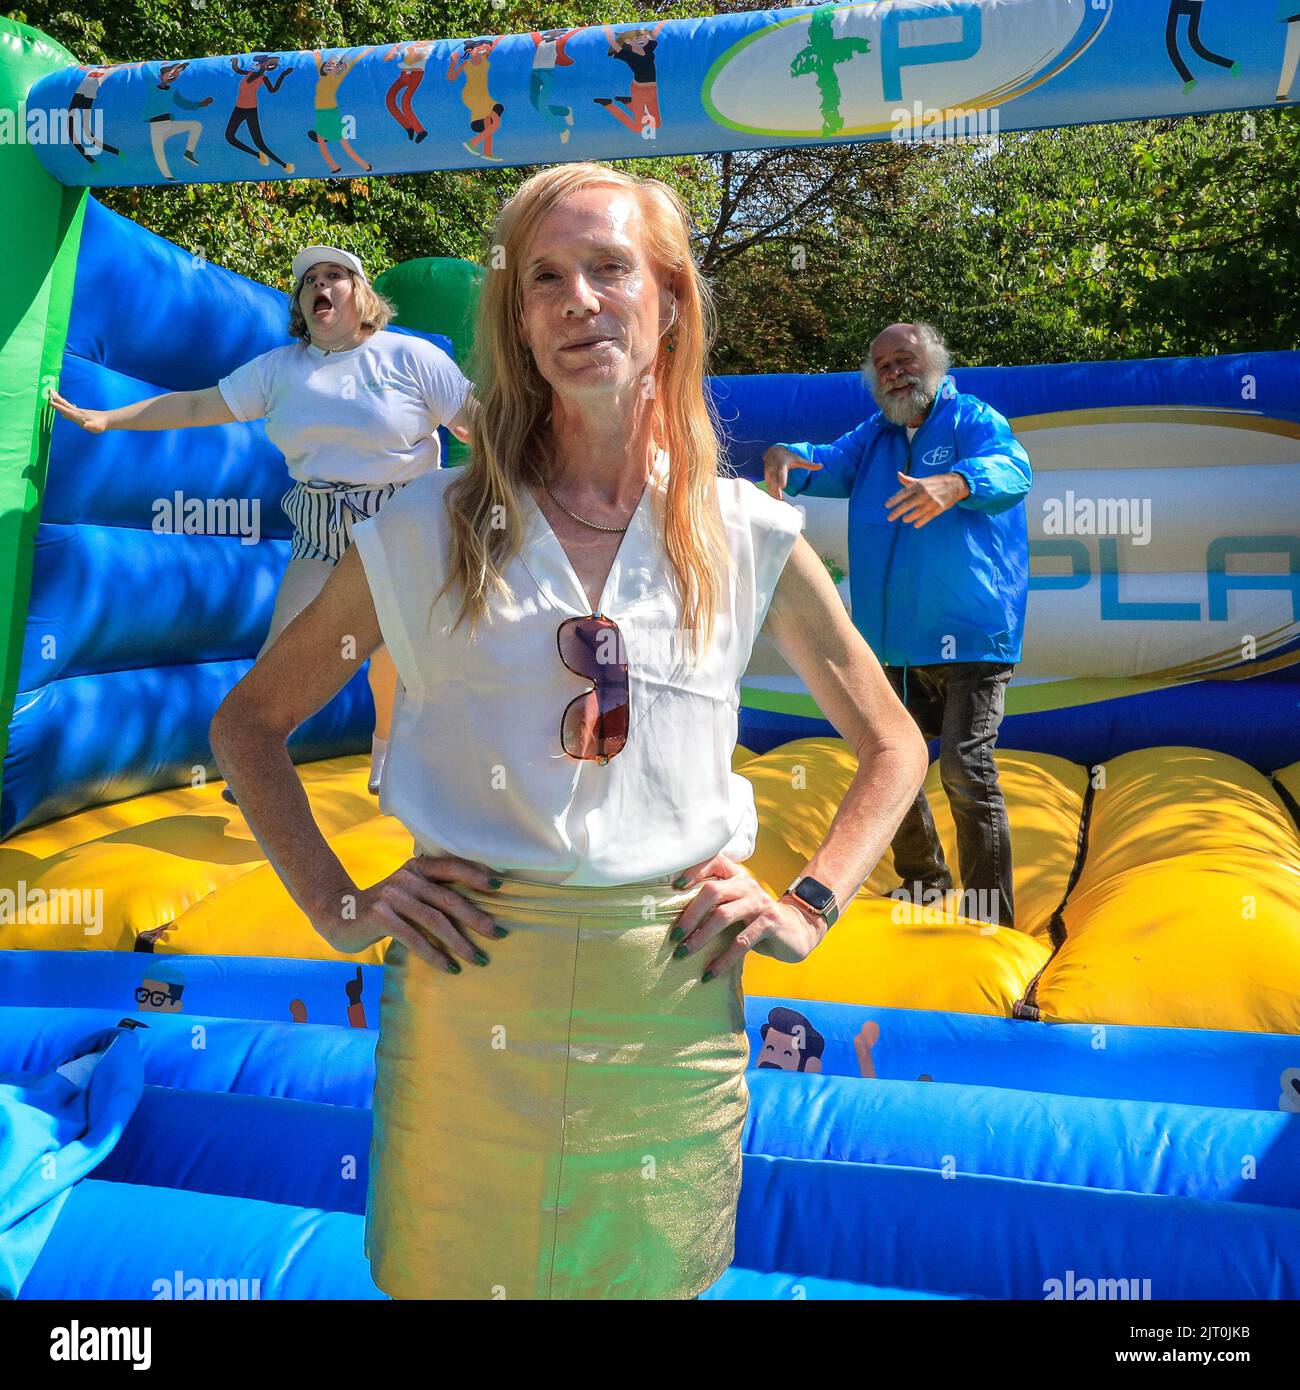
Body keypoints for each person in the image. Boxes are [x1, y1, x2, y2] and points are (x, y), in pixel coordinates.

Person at [207, 162, 929, 1300]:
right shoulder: (426, 528)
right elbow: (249, 725)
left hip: (669, 995)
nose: (577, 298)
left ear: (672, 301)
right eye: (545, 277)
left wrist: (808, 904)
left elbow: (895, 743)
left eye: (609, 268)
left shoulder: (745, 534)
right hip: (470, 983)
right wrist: (340, 908)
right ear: (517, 318)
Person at [49, 245, 474, 798]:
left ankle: (388, 750)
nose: (320, 286)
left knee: (390, 655)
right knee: (283, 648)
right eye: (309, 281)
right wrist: (108, 417)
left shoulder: (409, 358)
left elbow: (475, 425)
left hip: (397, 519)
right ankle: (257, 762)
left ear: (360, 293)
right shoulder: (282, 369)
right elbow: (200, 407)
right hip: (324, 526)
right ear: (301, 302)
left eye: (334, 276)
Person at [764, 322, 1030, 930]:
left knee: (965, 769)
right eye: (882, 365)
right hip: (894, 643)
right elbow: (826, 464)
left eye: (905, 360)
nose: (894, 372)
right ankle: (926, 883)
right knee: (891, 761)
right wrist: (788, 457)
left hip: (972, 637)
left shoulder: (972, 420)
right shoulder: (876, 438)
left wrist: (958, 482)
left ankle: (991, 917)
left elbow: (1014, 469)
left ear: (934, 363)